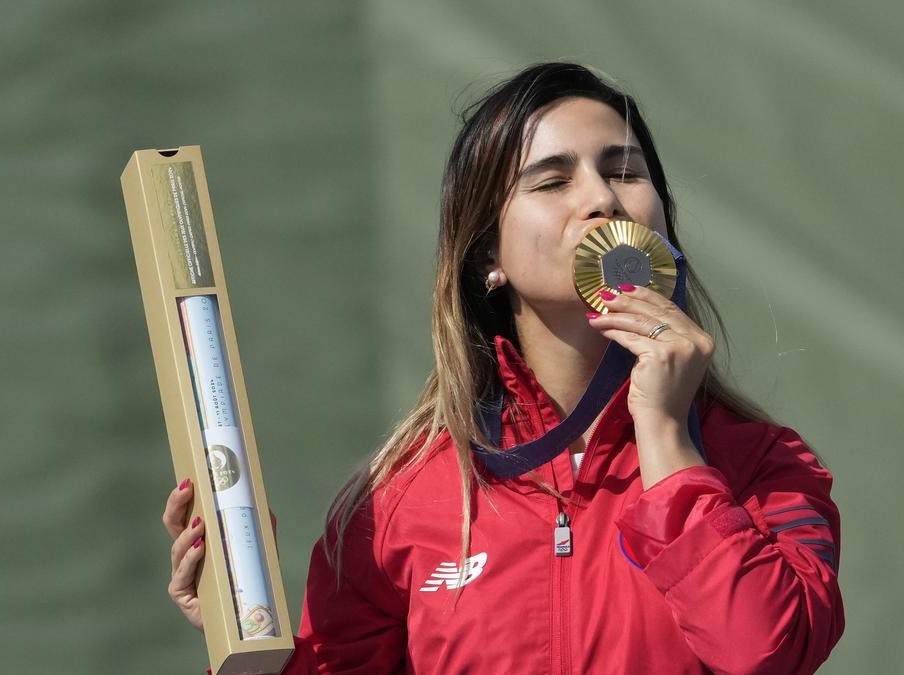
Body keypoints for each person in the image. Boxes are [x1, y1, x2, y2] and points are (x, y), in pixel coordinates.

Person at [162, 62, 843, 674]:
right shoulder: (397, 502)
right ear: (489, 254)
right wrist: (244, 633)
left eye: (626, 171)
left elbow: (763, 650)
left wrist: (666, 435)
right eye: (552, 179)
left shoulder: (762, 465)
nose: (602, 199)